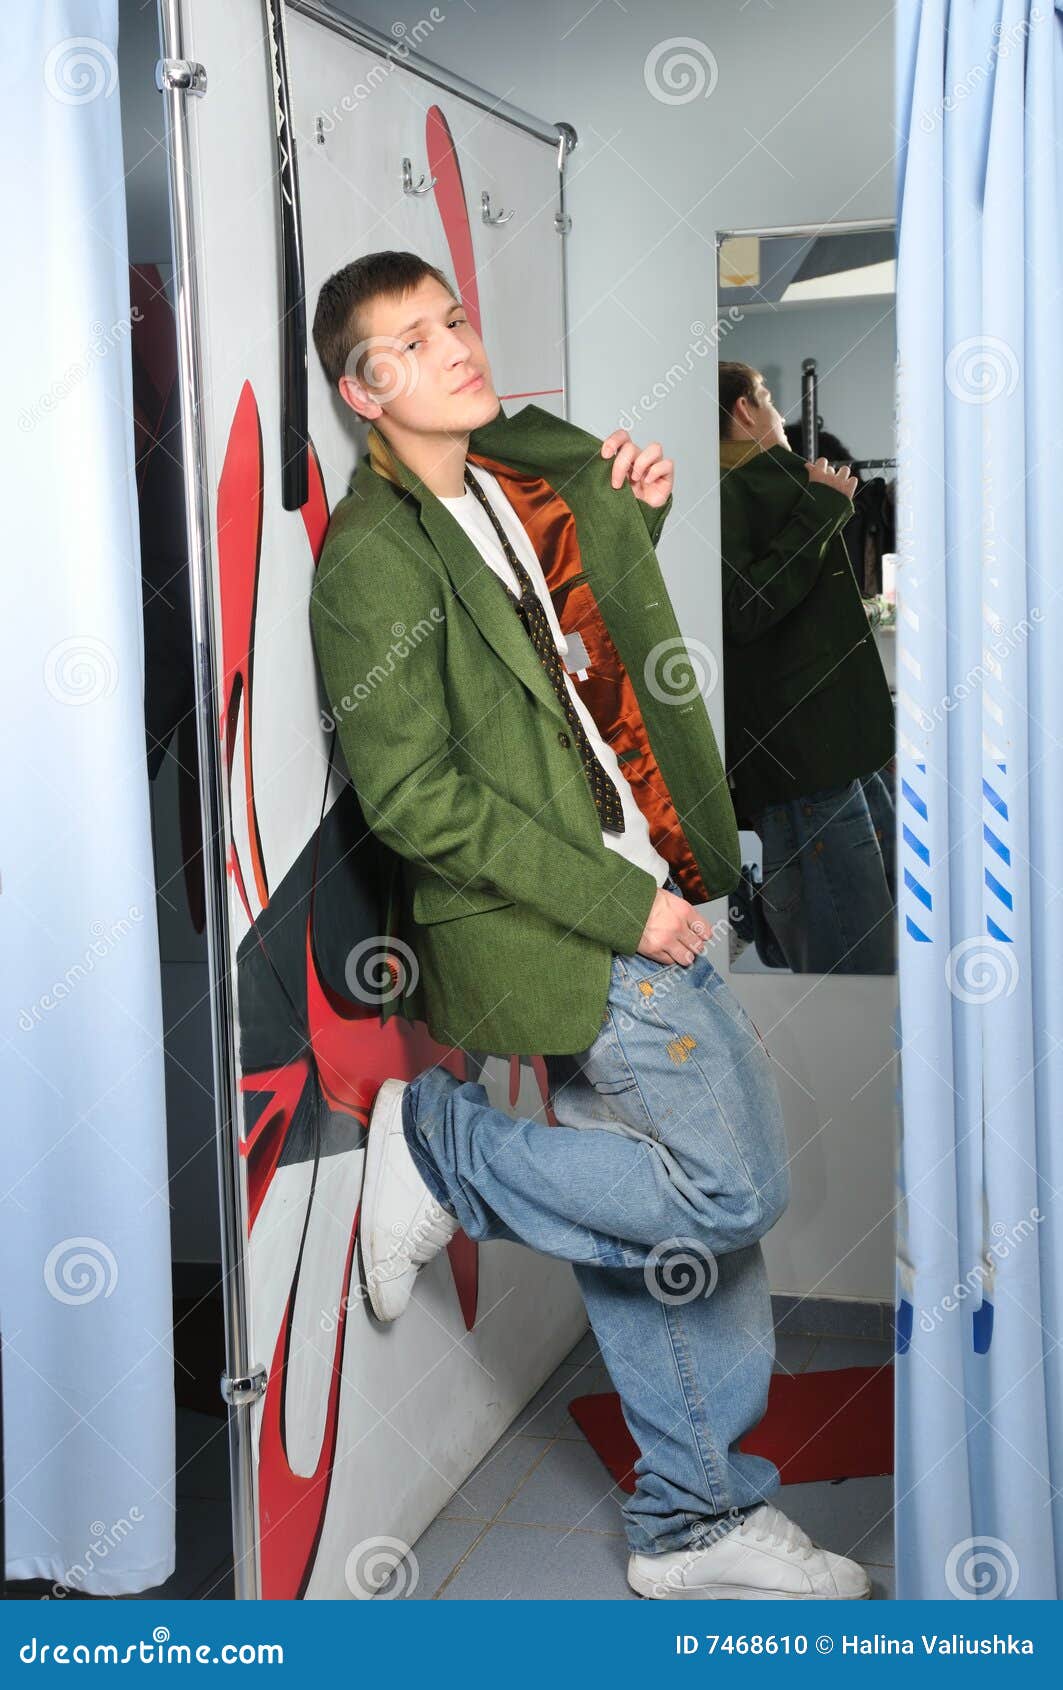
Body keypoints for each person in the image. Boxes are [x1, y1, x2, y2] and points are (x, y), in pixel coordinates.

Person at [308, 252, 870, 1600]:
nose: (455, 345)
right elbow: (415, 799)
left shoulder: (512, 476)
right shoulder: (372, 559)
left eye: (453, 318)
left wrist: (633, 524)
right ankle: (442, 1150)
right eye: (410, 340)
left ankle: (689, 1520)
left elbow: (557, 670)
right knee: (732, 1190)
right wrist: (630, 908)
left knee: (679, 1236)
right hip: (582, 921)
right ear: (360, 390)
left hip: (643, 875)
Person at [718, 362, 896, 974]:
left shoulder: (781, 487)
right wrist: (820, 508)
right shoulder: (733, 494)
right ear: (744, 410)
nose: (777, 413)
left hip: (838, 754)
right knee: (853, 962)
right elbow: (745, 608)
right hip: (804, 761)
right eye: (767, 398)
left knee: (873, 940)